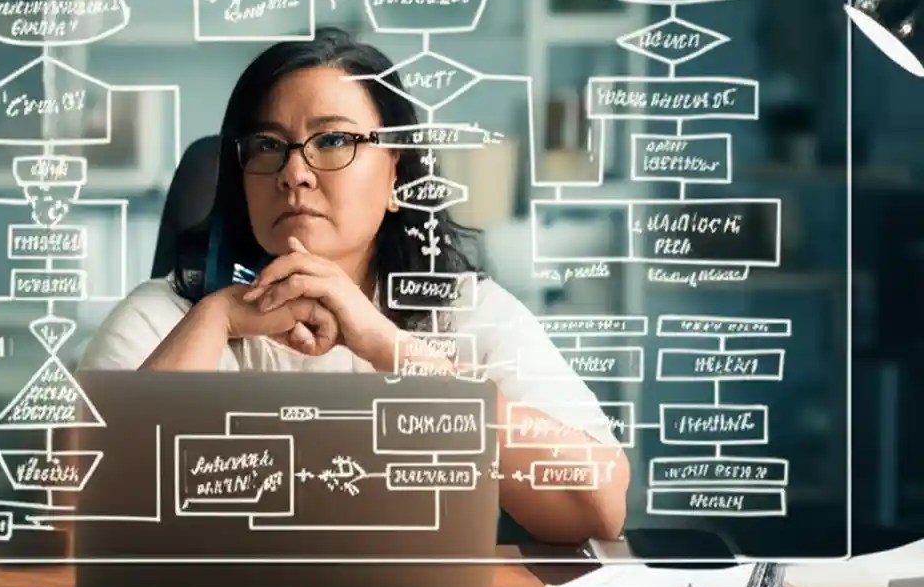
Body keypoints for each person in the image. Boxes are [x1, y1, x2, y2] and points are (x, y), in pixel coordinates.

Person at [78, 27, 630, 543]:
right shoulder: (163, 315)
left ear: (396, 174)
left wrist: (388, 346)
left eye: (334, 140)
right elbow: (80, 520)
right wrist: (215, 320)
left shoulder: (466, 316)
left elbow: (597, 507)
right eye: (267, 145)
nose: (293, 172)